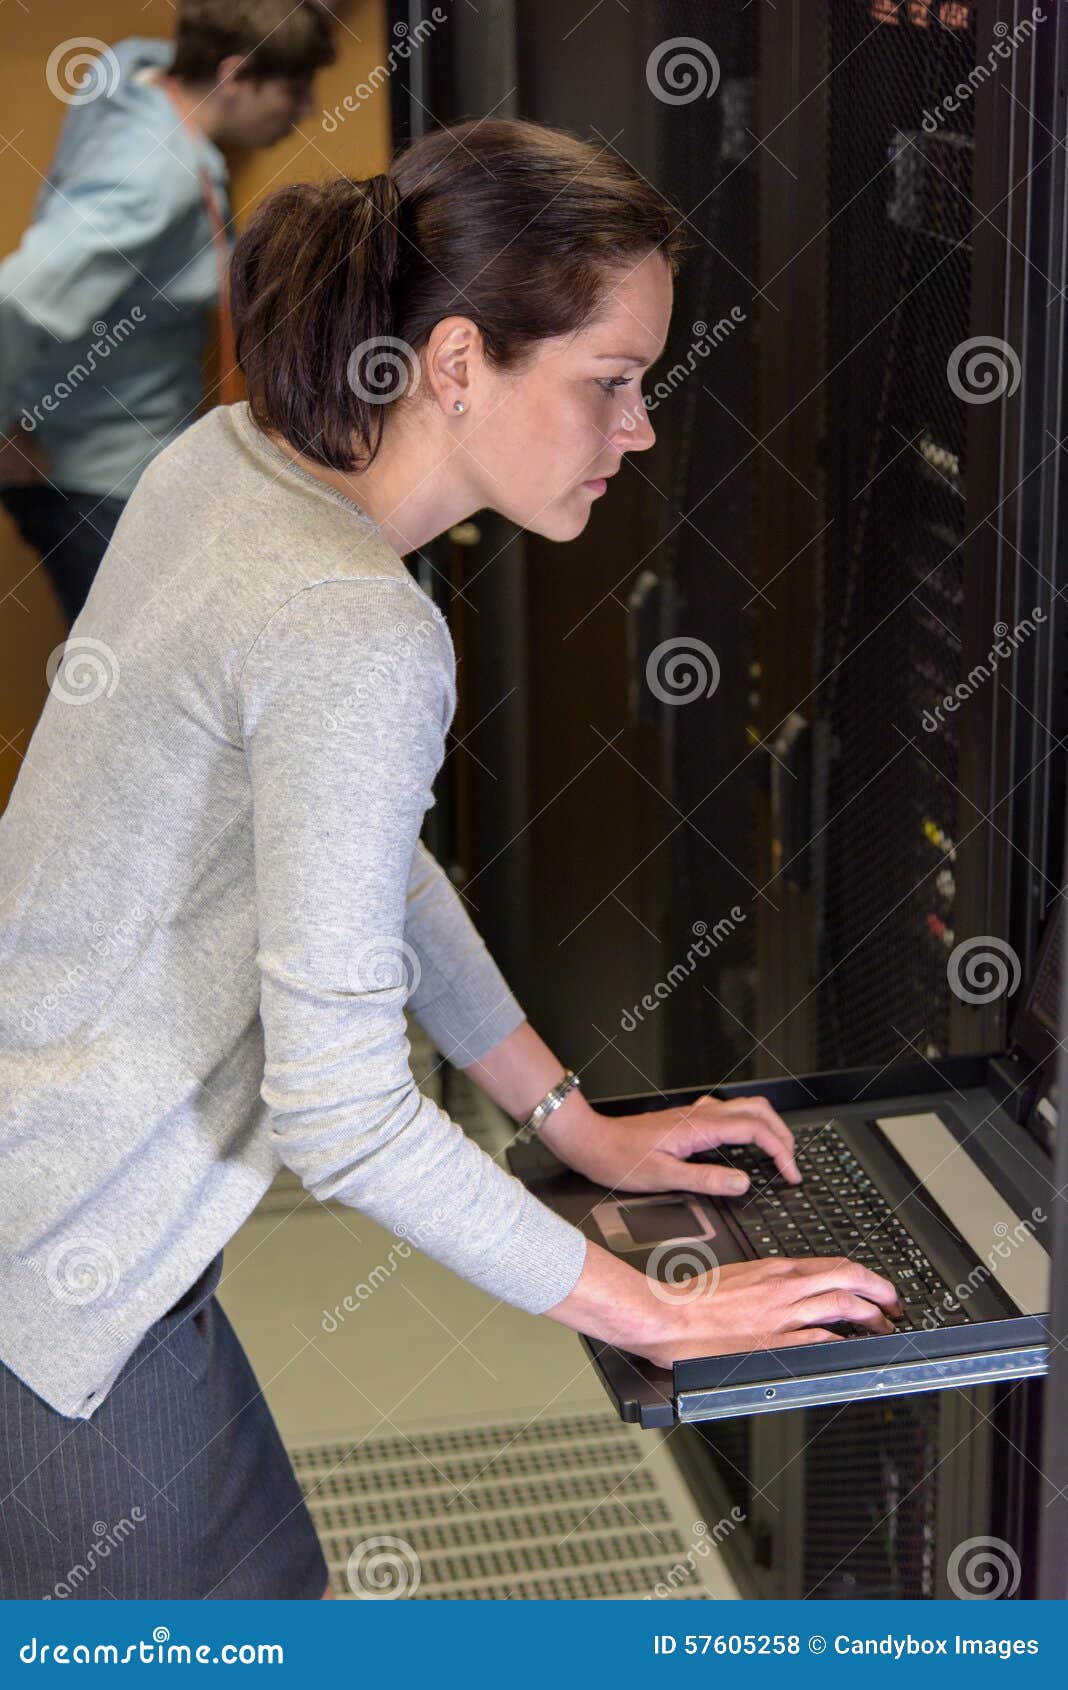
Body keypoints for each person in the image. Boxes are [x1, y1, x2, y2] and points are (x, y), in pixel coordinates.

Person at [0, 116, 902, 1601]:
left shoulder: (231, 462)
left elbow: (365, 860)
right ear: (462, 362)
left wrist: (571, 1118)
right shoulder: (358, 625)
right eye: (611, 382)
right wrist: (652, 1308)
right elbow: (345, 1113)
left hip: (89, 1238)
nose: (643, 430)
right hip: (66, 1281)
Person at [0, 0, 338, 626]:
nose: (308, 107)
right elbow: (15, 297)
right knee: (131, 696)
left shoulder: (132, 75)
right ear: (234, 76)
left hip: (114, 463)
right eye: (294, 87)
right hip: (98, 482)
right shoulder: (157, 174)